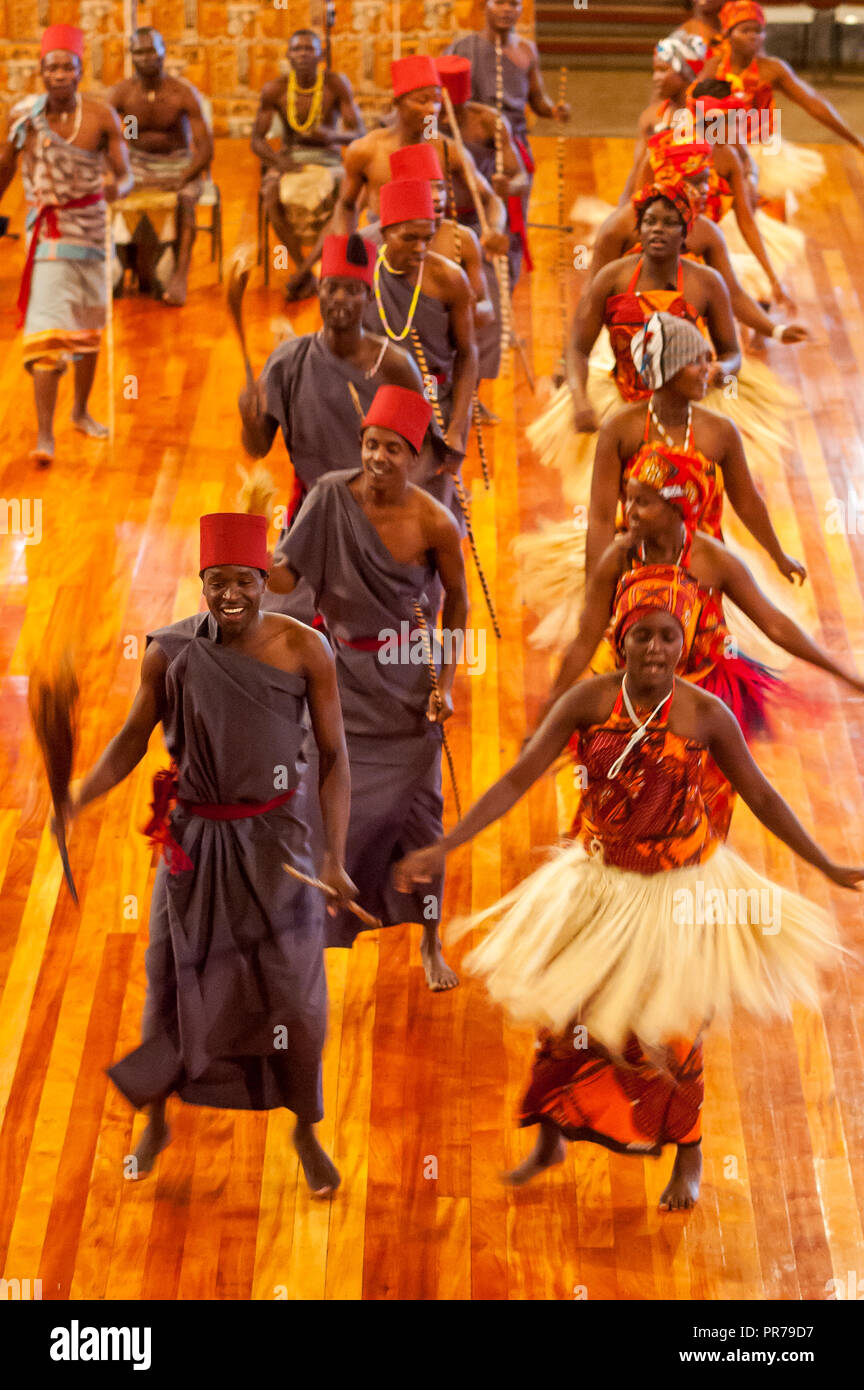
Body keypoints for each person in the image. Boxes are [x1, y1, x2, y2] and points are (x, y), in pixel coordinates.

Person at [395, 588, 861, 1208]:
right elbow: (515, 780)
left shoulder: (704, 714)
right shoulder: (588, 702)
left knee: (672, 1031)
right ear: (621, 639)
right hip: (601, 882)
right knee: (571, 1016)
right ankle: (550, 1133)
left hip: (682, 889)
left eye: (669, 636)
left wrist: (825, 862)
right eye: (642, 635)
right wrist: (445, 845)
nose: (655, 648)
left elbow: (765, 797)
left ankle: (689, 1153)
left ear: (683, 642)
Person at [61, 513, 355, 1195]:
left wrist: (335, 860)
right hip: (192, 847)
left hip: (279, 843)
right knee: (170, 985)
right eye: (216, 582)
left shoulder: (305, 650)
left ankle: (305, 1128)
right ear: (201, 585)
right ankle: (157, 1119)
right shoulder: (169, 653)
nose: (231, 595)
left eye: (244, 582)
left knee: (295, 998)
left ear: (263, 583)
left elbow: (337, 757)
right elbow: (134, 739)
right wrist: (81, 793)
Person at [267, 385, 469, 992]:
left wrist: (448, 681)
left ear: (415, 458)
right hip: (338, 678)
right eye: (371, 444)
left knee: (421, 825)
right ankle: (308, 934)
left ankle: (432, 940)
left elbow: (456, 601)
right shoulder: (330, 496)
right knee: (322, 809)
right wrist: (248, 555)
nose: (379, 457)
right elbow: (285, 575)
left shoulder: (435, 522)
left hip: (409, 689)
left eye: (393, 448)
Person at [0, 23, 132, 465]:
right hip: (49, 236)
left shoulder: (101, 117)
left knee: (89, 329)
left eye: (67, 67)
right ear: (41, 72)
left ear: (79, 72)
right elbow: (4, 168)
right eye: (51, 67)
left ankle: (80, 411)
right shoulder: (22, 116)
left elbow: (124, 172)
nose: (58, 74)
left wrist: (118, 185)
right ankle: (44, 435)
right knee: (47, 332)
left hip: (92, 233)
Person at [286, 54, 508, 298]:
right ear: (398, 102)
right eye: (421, 101)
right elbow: (347, 205)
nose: (431, 109)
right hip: (382, 244)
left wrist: (494, 229)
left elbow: (490, 198)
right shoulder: (366, 150)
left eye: (435, 101)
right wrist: (348, 249)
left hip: (431, 246)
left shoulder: (448, 150)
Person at [447, 0, 571, 281]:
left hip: (514, 146)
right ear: (484, 6)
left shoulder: (527, 50)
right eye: (498, 2)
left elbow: (537, 98)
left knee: (514, 216)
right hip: (476, 148)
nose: (506, 9)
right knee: (476, 211)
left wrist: (554, 111)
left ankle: (505, 277)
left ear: (520, 9)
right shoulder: (463, 49)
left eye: (513, 3)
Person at [363, 177, 478, 466]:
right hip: (370, 402)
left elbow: (467, 354)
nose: (420, 248)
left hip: (433, 402)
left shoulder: (449, 279)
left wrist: (456, 431)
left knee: (429, 502)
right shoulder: (362, 276)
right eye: (409, 238)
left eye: (427, 238)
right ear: (385, 232)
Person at [366, 143, 499, 387]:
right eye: (427, 188)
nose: (437, 197)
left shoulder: (463, 240)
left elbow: (487, 309)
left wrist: (456, 311)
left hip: (439, 369)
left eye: (440, 187)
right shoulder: (368, 243)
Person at [251, 29, 363, 301]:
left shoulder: (336, 84)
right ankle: (304, 268)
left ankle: (302, 273)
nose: (302, 55)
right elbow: (256, 139)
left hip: (330, 159)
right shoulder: (275, 89)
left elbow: (359, 132)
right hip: (291, 158)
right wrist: (280, 162)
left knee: (346, 201)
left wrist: (331, 136)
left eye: (308, 49)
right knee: (269, 193)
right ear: (288, 55)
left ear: (320, 55)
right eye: (297, 49)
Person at [107, 27, 213, 305]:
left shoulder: (182, 93)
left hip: (178, 163)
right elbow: (113, 138)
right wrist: (120, 168)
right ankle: (118, 266)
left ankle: (179, 276)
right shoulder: (123, 94)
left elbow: (205, 149)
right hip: (138, 163)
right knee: (108, 191)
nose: (146, 57)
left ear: (164, 51)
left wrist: (183, 176)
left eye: (152, 50)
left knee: (187, 199)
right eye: (139, 51)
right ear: (131, 55)